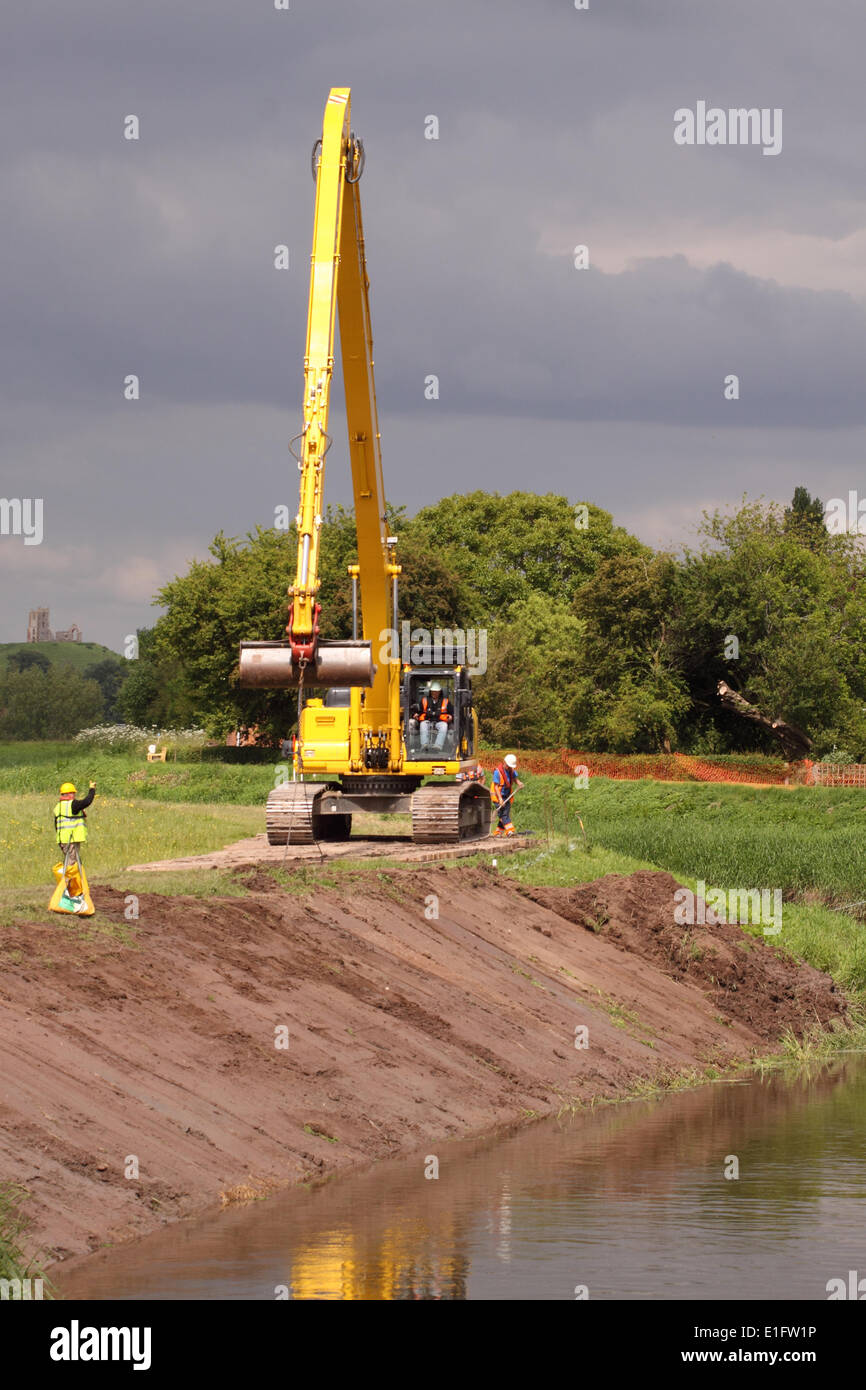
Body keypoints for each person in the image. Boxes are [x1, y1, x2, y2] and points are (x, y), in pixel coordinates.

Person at [53, 780, 97, 892]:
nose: (74, 795)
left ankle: (75, 887)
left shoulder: (59, 806)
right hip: (70, 839)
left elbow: (57, 825)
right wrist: (92, 789)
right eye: (73, 793)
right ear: (69, 794)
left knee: (73, 863)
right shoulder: (72, 804)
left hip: (64, 839)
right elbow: (86, 801)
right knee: (71, 865)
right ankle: (66, 889)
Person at [490, 754, 523, 835]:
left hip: (507, 795)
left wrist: (519, 783)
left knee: (505, 814)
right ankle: (510, 831)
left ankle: (498, 832)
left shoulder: (511, 770)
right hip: (498, 796)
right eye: (508, 766)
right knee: (503, 814)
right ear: (504, 762)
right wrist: (500, 799)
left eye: (510, 766)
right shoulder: (497, 772)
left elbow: (515, 778)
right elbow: (496, 787)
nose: (509, 767)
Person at [418, 682, 454, 752]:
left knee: (444, 726)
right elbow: (419, 711)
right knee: (423, 724)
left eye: (436, 692)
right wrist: (416, 714)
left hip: (440, 722)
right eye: (433, 691)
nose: (434, 693)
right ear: (430, 692)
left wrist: (451, 717)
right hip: (427, 720)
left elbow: (452, 712)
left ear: (439, 692)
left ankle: (438, 746)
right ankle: (424, 745)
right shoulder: (424, 700)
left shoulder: (445, 701)